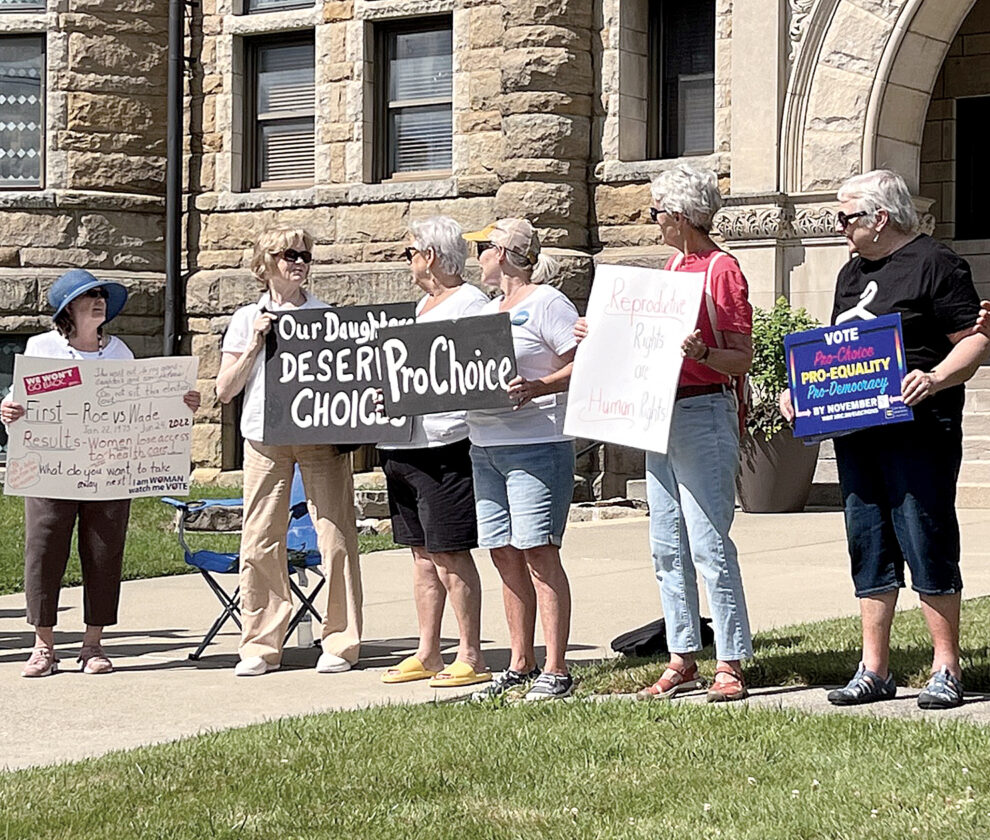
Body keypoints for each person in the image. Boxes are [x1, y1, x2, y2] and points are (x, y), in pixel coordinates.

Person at [781, 170, 990, 709]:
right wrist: (803, 392)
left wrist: (937, 377)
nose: (839, 226)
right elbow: (837, 348)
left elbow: (975, 340)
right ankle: (874, 667)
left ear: (881, 217)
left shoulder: (938, 263)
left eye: (845, 217)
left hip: (921, 429)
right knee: (868, 542)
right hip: (858, 430)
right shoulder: (852, 272)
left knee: (926, 536)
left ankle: (946, 667)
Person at [577, 163, 754, 702]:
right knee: (666, 545)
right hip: (659, 413)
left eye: (657, 212)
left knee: (707, 541)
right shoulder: (672, 267)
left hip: (702, 411)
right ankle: (682, 655)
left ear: (679, 215)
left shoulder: (721, 270)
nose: (653, 221)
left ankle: (730, 659)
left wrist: (704, 353)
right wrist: (599, 331)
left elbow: (741, 357)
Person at [1, 269, 200, 676]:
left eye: (101, 295)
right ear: (67, 310)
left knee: (105, 552)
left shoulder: (120, 352)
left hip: (109, 471)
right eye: (87, 296)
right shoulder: (41, 347)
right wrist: (9, 411)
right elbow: (17, 402)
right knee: (44, 551)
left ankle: (93, 644)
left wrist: (180, 404)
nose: (98, 301)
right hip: (49, 470)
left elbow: (141, 406)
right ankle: (43, 646)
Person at [217, 226, 363, 677]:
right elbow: (224, 391)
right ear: (265, 263)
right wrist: (256, 344)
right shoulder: (246, 318)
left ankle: (341, 641)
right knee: (260, 541)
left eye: (304, 254)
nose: (298, 261)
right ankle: (260, 645)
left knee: (335, 537)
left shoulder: (326, 316)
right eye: (287, 254)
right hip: (264, 439)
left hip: (320, 438)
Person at [461, 218, 578, 701]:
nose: (478, 257)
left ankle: (556, 667)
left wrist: (540, 387)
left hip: (537, 443)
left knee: (538, 552)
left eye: (484, 248)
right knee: (503, 552)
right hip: (484, 445)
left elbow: (584, 359)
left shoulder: (547, 302)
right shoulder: (488, 309)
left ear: (506, 253)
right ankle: (519, 661)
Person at [376, 217, 492, 688]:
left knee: (450, 554)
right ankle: (428, 651)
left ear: (432, 256)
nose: (407, 260)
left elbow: (477, 374)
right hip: (402, 445)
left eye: (410, 252)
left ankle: (471, 654)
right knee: (421, 555)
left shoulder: (473, 306)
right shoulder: (421, 306)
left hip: (445, 446)